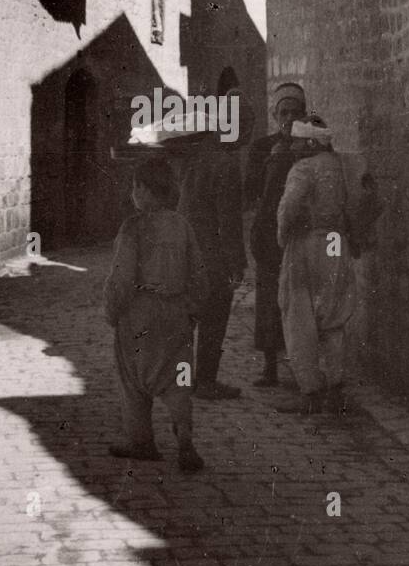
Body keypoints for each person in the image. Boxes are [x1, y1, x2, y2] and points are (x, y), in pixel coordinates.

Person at [103, 155, 207, 473]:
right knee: (176, 376)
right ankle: (184, 434)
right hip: (176, 310)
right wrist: (191, 308)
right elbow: (199, 275)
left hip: (140, 311)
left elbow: (121, 277)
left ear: (146, 190)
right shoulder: (181, 224)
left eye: (136, 187)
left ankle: (142, 442)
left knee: (133, 379)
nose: (133, 194)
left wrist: (112, 310)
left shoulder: (133, 227)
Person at [276, 115, 356, 414]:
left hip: (308, 245)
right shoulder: (340, 166)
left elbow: (288, 208)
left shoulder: (303, 169)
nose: (294, 147)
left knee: (300, 318)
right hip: (337, 244)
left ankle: (310, 391)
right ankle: (336, 388)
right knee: (334, 317)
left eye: (298, 142)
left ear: (310, 142)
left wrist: (283, 238)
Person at [177, 123, 246, 401]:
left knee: (186, 318)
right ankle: (205, 382)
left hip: (186, 251)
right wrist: (236, 262)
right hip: (212, 254)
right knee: (215, 318)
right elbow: (228, 221)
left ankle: (178, 378)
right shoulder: (225, 163)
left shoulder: (192, 162)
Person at [245, 82, 308, 386]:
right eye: (283, 112)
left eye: (295, 113)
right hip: (270, 234)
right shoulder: (261, 147)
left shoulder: (311, 146)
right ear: (274, 114)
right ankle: (270, 365)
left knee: (299, 300)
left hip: (299, 233)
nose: (288, 118)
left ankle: (300, 366)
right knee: (269, 300)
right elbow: (251, 189)